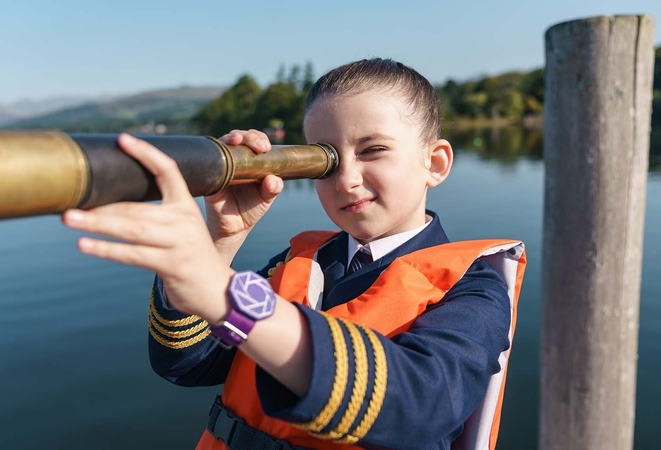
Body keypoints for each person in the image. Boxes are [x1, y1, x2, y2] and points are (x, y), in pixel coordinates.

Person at [62, 58, 526, 450]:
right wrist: (220, 240)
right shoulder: (302, 262)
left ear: (435, 163)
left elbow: (422, 402)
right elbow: (188, 363)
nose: (346, 180)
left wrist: (228, 297)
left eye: (374, 150)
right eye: (328, 160)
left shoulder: (474, 290)